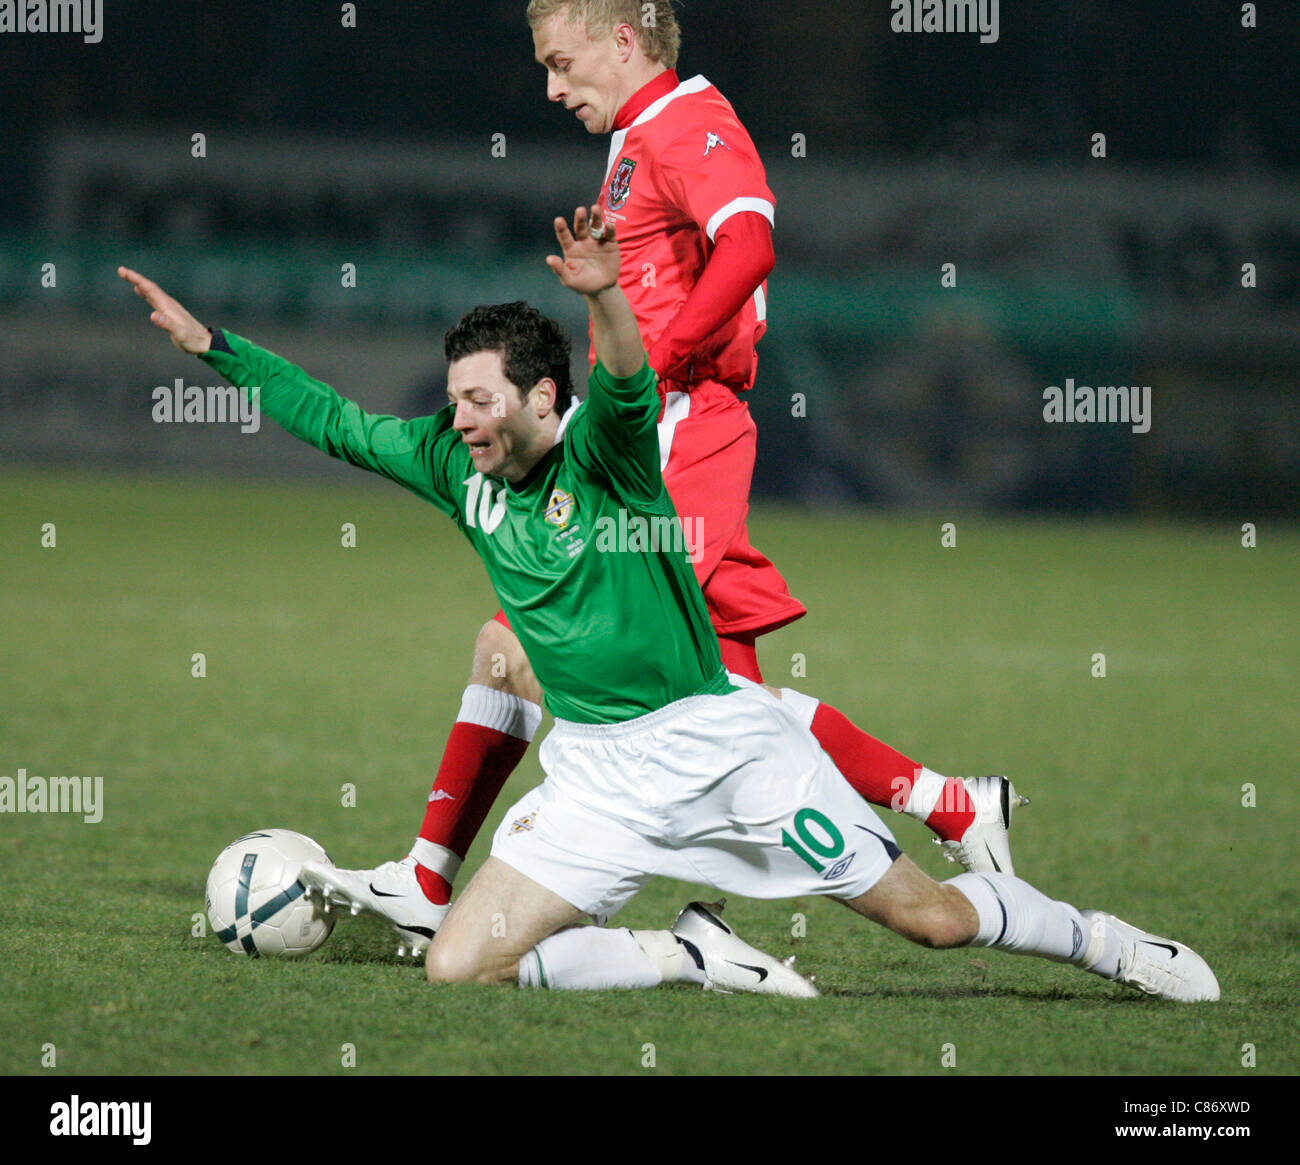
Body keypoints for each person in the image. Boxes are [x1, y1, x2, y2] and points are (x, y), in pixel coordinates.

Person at [117, 208, 1220, 1004]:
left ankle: (1106, 943)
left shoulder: (606, 457)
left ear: (543, 397)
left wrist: (601, 292)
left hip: (724, 753)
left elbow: (634, 380)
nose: (458, 421)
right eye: (453, 400)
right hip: (598, 777)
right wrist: (214, 348)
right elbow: (333, 420)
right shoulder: (456, 467)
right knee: (461, 961)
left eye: (480, 400)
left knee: (928, 920)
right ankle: (686, 955)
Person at [305, 0, 1026, 956]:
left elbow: (753, 244)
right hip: (673, 436)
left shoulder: (687, 123)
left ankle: (433, 879)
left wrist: (660, 366)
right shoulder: (644, 134)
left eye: (562, 64)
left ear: (623, 39)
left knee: (528, 641)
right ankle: (942, 801)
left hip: (679, 438)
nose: (553, 87)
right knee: (718, 692)